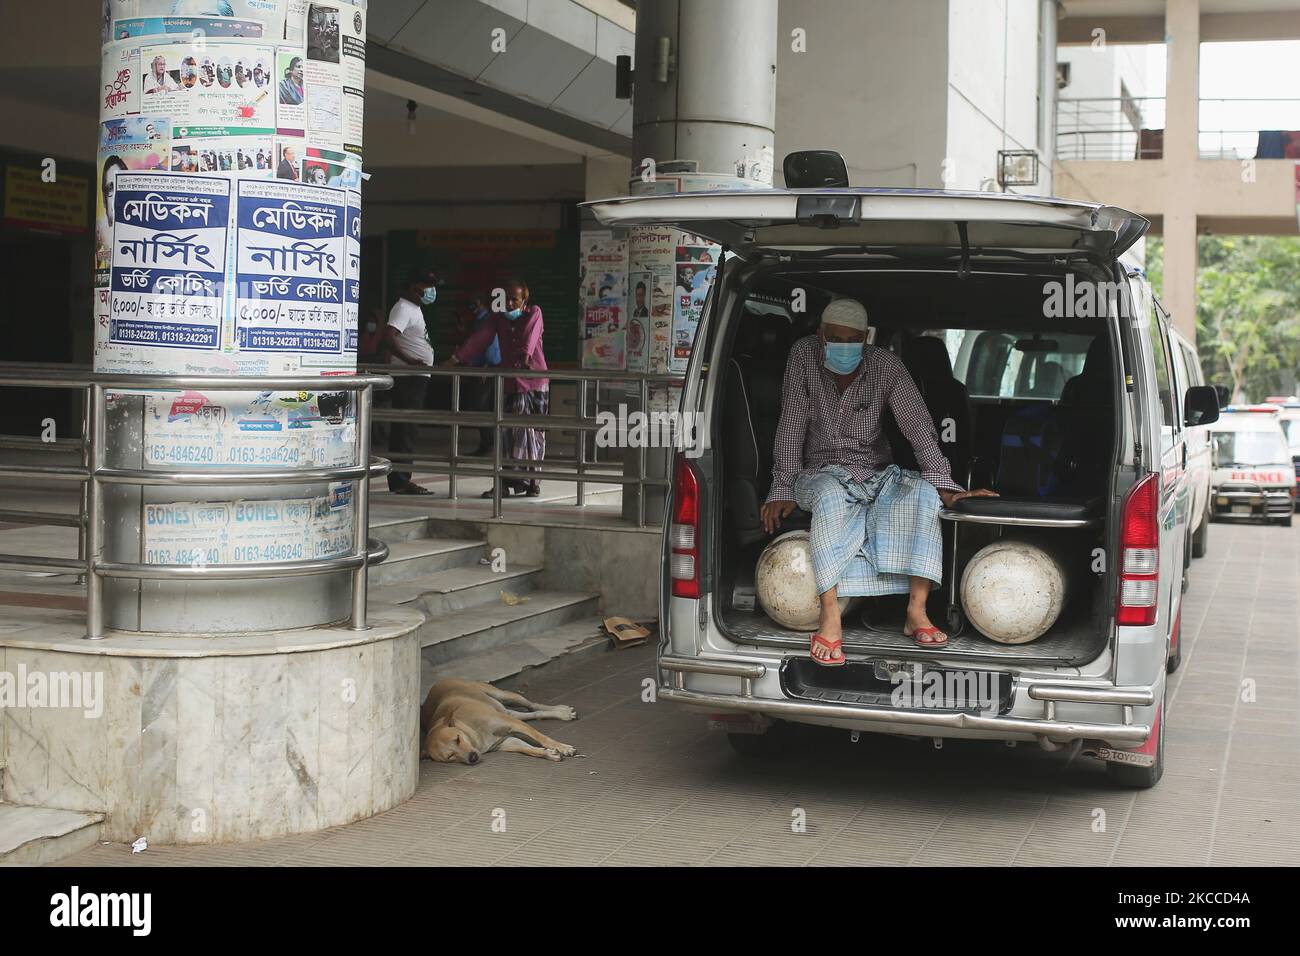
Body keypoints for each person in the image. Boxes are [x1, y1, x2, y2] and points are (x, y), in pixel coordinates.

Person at [758, 298, 998, 664]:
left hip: (873, 472)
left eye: (853, 339)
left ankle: (915, 611)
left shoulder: (885, 366)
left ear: (866, 339)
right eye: (835, 339)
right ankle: (830, 615)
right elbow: (791, 424)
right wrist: (781, 486)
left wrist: (946, 487)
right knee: (830, 497)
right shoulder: (804, 356)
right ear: (821, 336)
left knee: (921, 494)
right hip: (818, 472)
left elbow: (918, 427)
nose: (844, 346)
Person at [446, 279, 548, 498]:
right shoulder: (497, 318)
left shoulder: (534, 312)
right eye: (507, 298)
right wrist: (456, 358)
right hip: (510, 383)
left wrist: (525, 355)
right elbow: (480, 339)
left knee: (533, 434)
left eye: (515, 299)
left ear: (524, 300)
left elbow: (530, 335)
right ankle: (504, 484)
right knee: (506, 433)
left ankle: (532, 481)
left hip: (534, 383)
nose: (510, 303)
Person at [384, 268, 438, 495]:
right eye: (428, 287)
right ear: (415, 288)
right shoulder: (403, 308)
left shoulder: (413, 309)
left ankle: (402, 478)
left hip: (415, 377)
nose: (431, 292)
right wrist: (409, 361)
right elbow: (389, 336)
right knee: (404, 429)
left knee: (408, 428)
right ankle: (400, 480)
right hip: (408, 378)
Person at [462, 294, 501, 457]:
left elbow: (490, 343)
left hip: (486, 370)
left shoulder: (487, 319)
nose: (473, 306)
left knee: (482, 406)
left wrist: (487, 365)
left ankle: (490, 444)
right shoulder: (479, 319)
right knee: (482, 406)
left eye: (476, 302)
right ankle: (487, 444)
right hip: (479, 368)